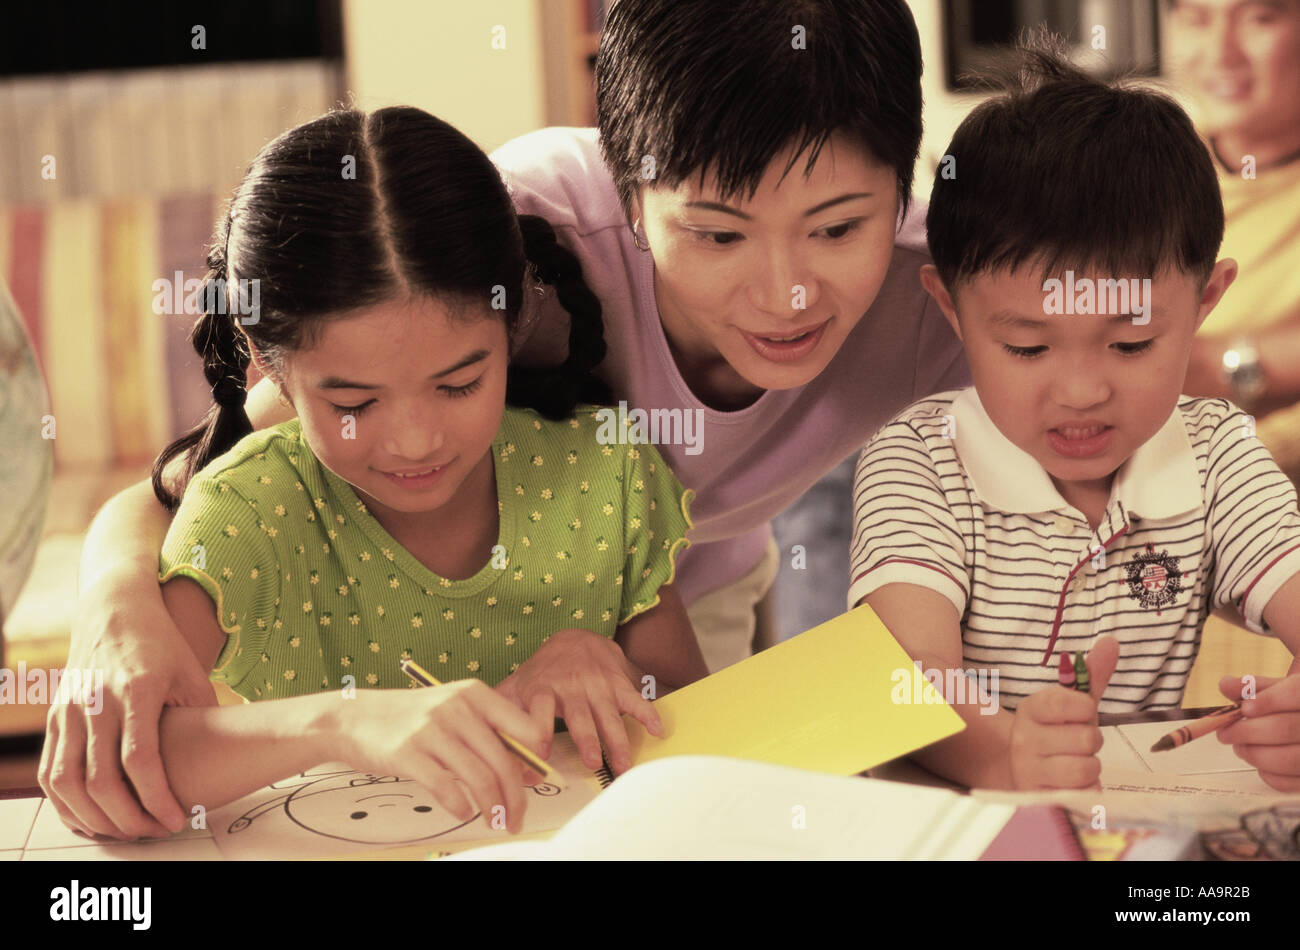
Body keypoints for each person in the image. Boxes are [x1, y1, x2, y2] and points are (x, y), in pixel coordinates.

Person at [42, 0, 969, 839]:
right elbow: (206, 477)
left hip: (669, 596)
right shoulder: (498, 248)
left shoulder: (939, 287)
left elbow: (689, 724)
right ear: (628, 194)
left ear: (903, 190)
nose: (787, 293)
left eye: (840, 228)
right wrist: (116, 603)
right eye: (718, 234)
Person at [45, 106, 705, 835]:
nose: (417, 442)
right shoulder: (253, 512)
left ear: (513, 321)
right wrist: (348, 722)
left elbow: (702, 725)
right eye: (356, 402)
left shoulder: (600, 480)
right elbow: (114, 774)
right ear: (268, 365)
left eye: (459, 385)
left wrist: (604, 663)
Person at [849, 38, 1300, 792]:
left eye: (1131, 344)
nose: (1083, 391)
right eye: (1028, 348)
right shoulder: (918, 457)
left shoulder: (1216, 452)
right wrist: (1001, 752)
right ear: (951, 311)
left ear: (1206, 301)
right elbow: (908, 675)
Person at [1167, 0, 1300, 482]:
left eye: (1258, 17)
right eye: (1197, 18)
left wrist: (1220, 365)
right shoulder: (1133, 165)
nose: (1221, 52)